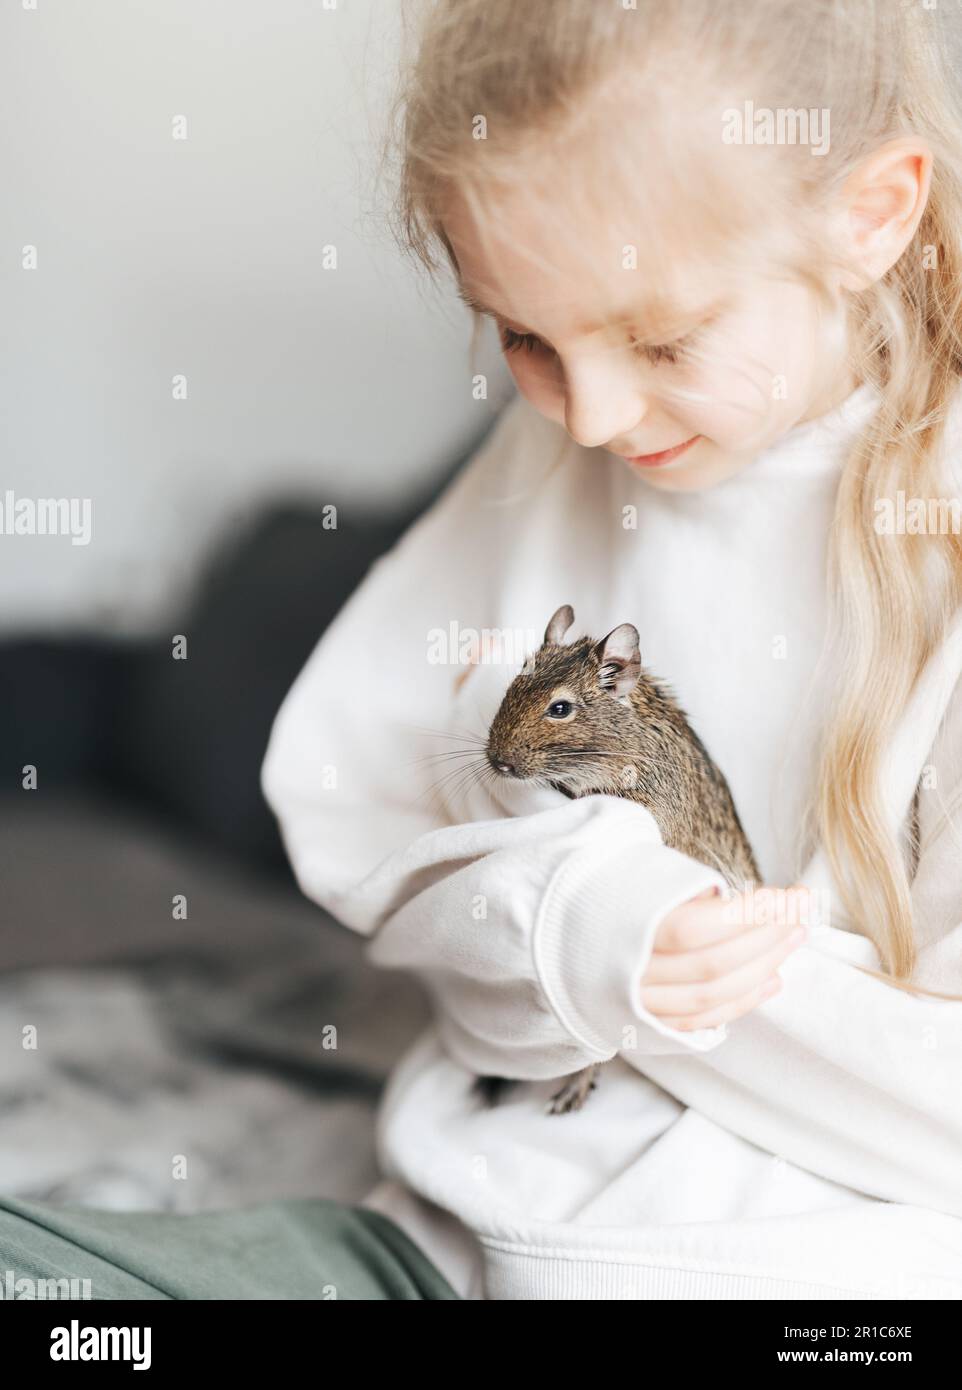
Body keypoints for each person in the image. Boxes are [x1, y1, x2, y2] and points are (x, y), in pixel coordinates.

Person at [260, 0, 962, 1299]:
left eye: (660, 340)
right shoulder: (570, 441)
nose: (587, 415)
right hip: (447, 1229)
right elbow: (365, 818)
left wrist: (647, 979)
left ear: (871, 214)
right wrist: (579, 928)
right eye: (521, 336)